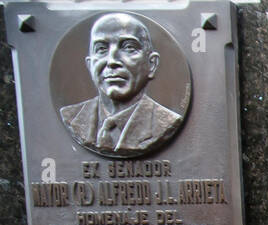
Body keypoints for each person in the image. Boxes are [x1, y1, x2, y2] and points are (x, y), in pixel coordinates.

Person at [59, 13, 184, 157]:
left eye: (128, 48)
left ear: (151, 64)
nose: (112, 61)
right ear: (89, 65)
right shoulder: (72, 117)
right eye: (101, 49)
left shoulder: (166, 122)